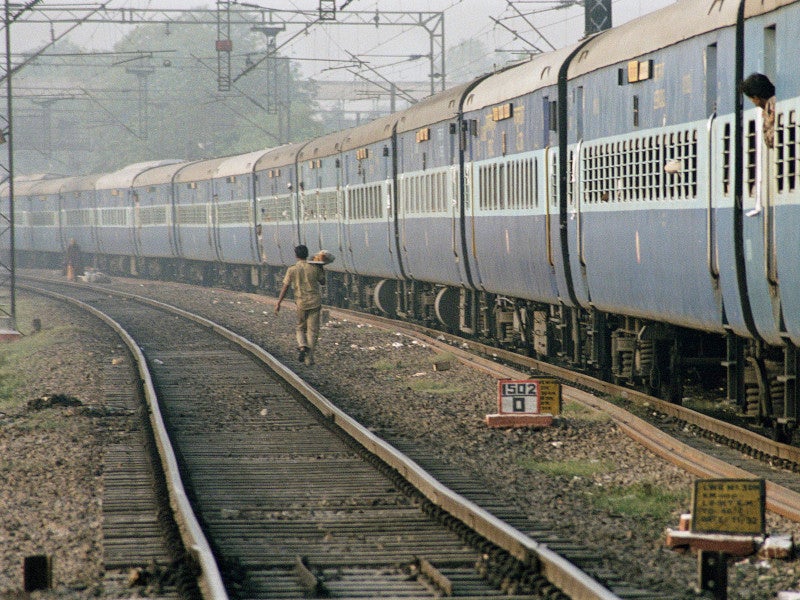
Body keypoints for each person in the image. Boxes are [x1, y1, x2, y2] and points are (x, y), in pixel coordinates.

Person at [275, 244, 326, 366]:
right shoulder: (314, 268)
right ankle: (309, 359)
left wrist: (279, 303)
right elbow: (323, 282)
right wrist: (321, 268)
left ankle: (302, 346)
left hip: (301, 303)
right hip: (315, 303)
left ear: (296, 255)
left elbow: (285, 287)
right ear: (307, 254)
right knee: (313, 331)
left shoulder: (292, 269)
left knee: (300, 328)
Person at [741, 72, 776, 149]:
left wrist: (769, 123)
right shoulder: (776, 100)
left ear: (756, 98)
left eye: (751, 99)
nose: (754, 103)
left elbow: (771, 141)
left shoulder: (770, 106)